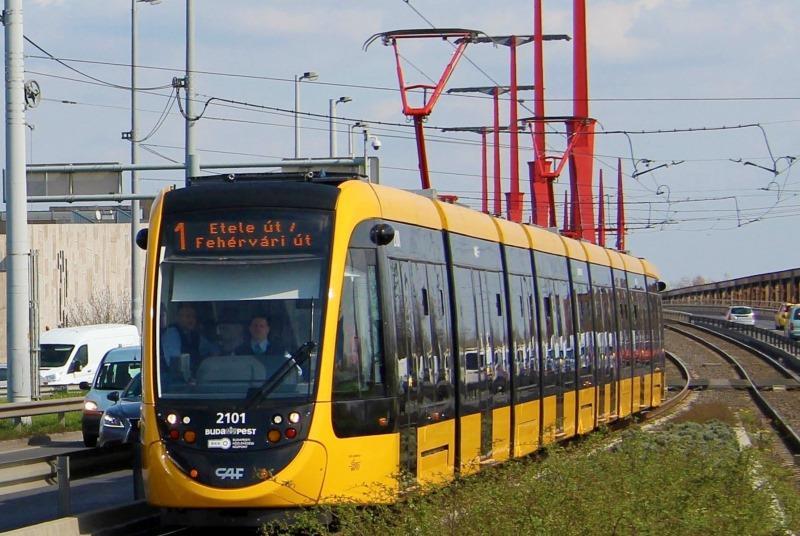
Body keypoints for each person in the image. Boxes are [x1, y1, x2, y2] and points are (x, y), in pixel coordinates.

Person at [161, 303, 217, 379]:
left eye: (194, 316)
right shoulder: (171, 334)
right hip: (174, 381)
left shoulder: (194, 335)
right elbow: (176, 362)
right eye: (188, 316)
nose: (191, 320)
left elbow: (212, 349)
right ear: (178, 318)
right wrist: (188, 377)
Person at [237, 315, 302, 379]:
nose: (258, 329)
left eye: (261, 326)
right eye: (255, 326)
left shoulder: (280, 351)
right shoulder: (239, 352)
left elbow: (297, 372)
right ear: (250, 329)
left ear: (267, 329)